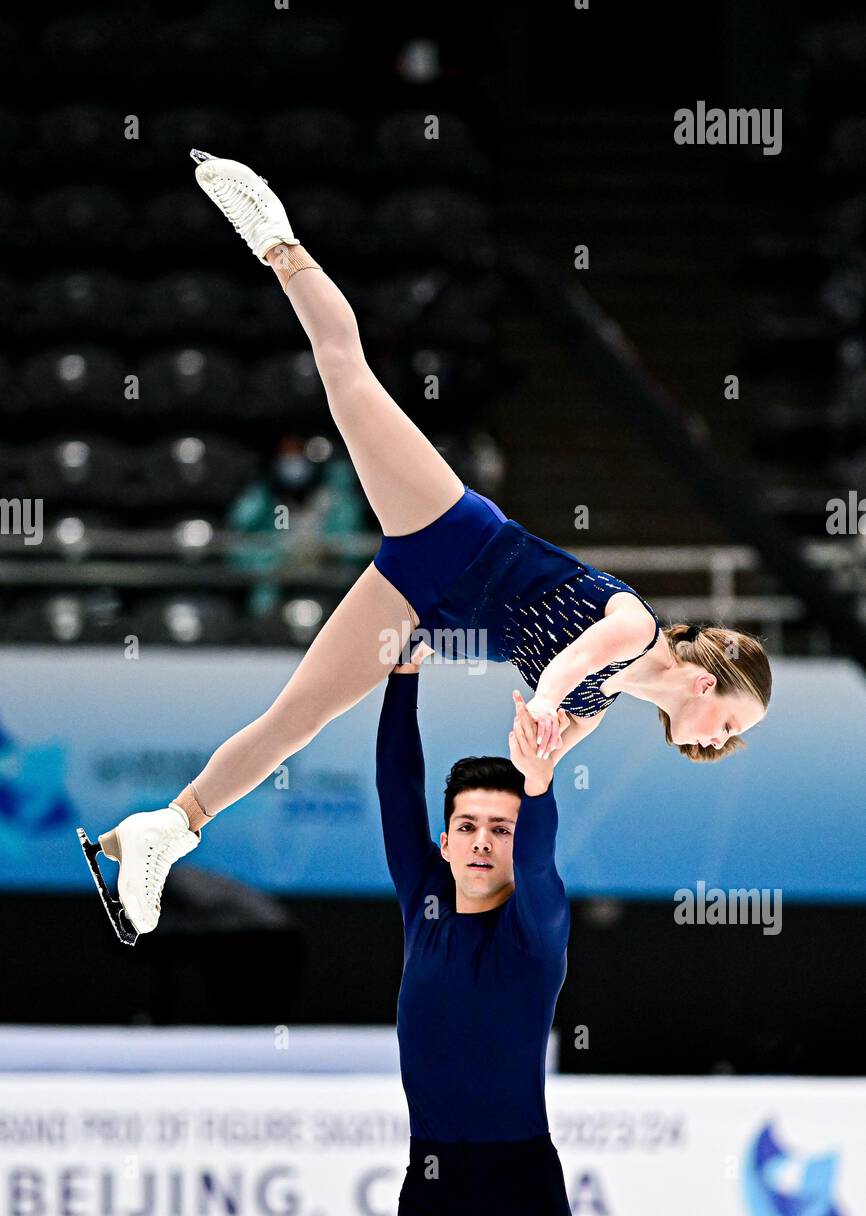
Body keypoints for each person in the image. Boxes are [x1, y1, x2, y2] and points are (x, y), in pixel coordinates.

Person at [80, 154, 772, 940]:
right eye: (733, 719)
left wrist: (531, 767)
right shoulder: (636, 629)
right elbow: (572, 662)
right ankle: (276, 237)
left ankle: (165, 830)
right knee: (349, 378)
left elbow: (528, 771)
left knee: (297, 719)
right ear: (710, 677)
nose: (725, 739)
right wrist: (544, 707)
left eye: (732, 738)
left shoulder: (600, 712)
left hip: (427, 605)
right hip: (459, 538)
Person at [378, 639, 574, 1216]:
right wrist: (404, 671)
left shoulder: (536, 929)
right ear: (445, 841)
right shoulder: (423, 903)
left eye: (501, 827)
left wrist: (539, 780)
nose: (483, 841)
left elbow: (542, 866)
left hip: (523, 1205)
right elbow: (398, 786)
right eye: (467, 826)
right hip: (430, 1190)